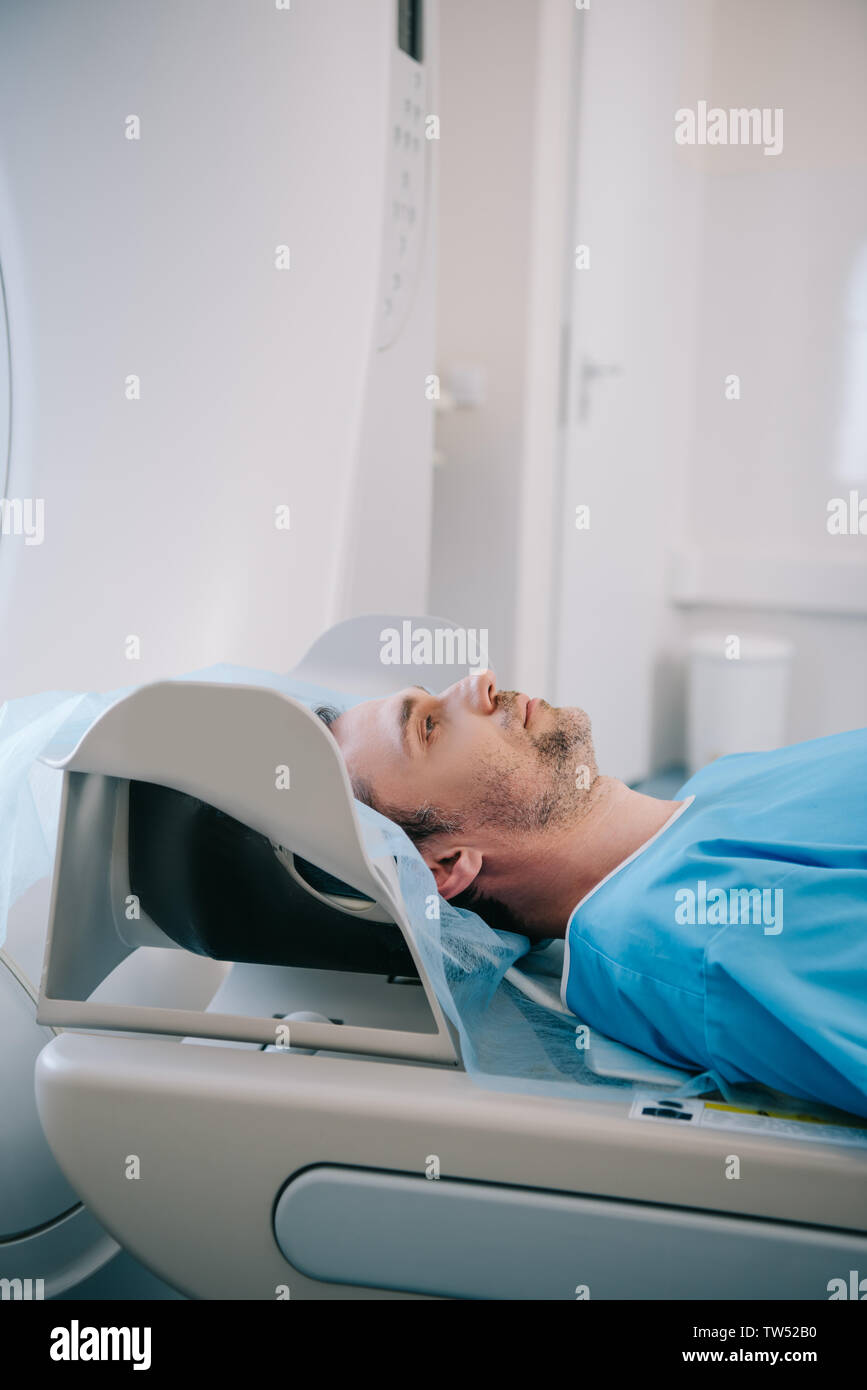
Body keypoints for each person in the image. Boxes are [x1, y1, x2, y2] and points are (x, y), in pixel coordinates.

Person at [318, 670, 867, 1118]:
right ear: (445, 865)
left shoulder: (718, 784)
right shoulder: (691, 942)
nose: (478, 681)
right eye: (430, 729)